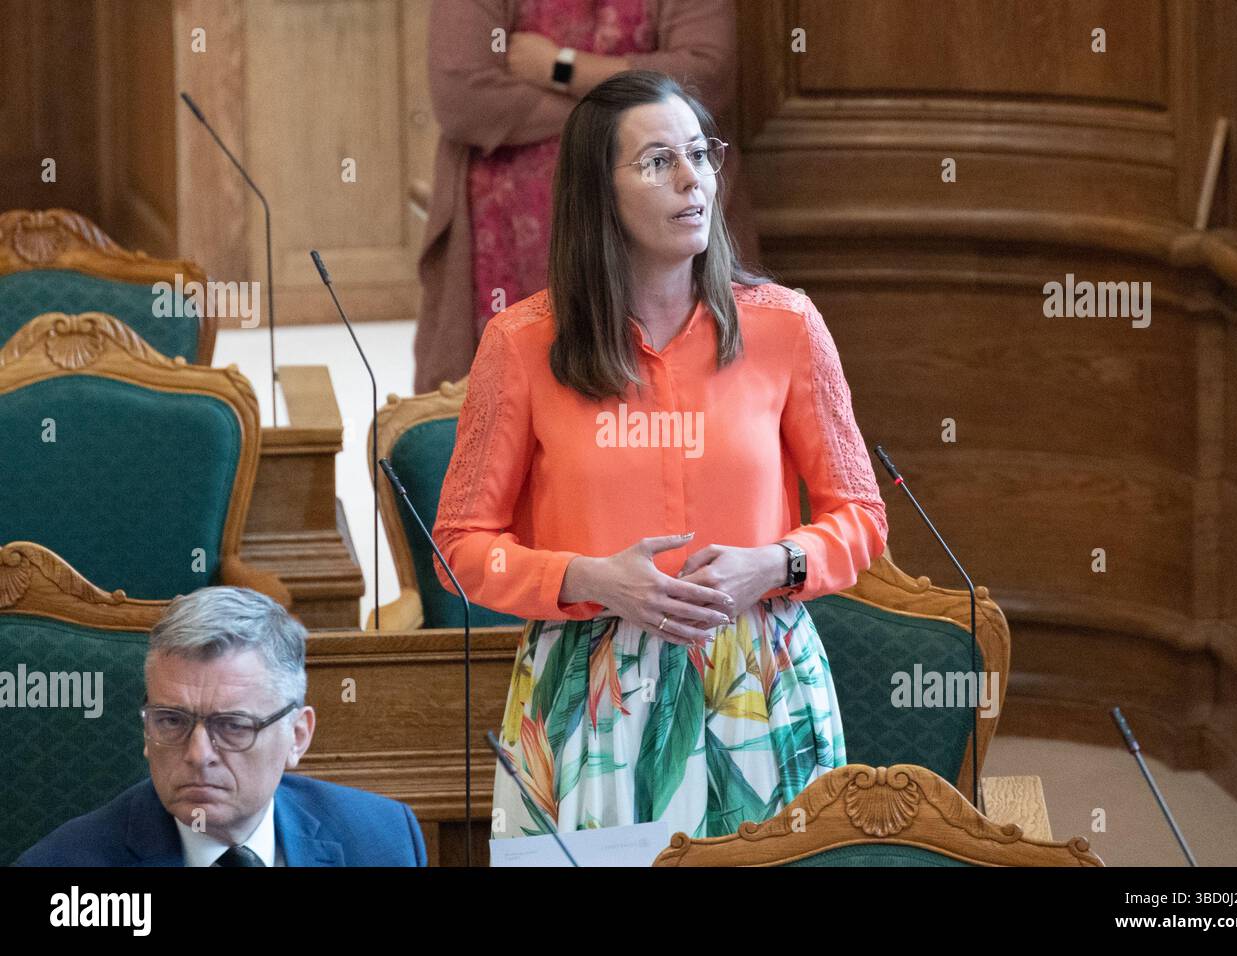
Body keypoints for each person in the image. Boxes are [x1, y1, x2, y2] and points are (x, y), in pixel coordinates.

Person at [431, 71, 889, 841]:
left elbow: (861, 519)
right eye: (657, 162)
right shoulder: (520, 345)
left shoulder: (787, 327)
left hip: (759, 683)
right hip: (589, 688)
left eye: (701, 154)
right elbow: (460, 547)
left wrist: (772, 563)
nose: (693, 180)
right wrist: (587, 577)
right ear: (597, 193)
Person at [414, 0, 760, 394]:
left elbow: (705, 77)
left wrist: (559, 67)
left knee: (674, 400)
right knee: (506, 398)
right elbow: (463, 97)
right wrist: (630, 116)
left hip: (663, 241)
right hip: (501, 238)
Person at [16, 587, 426, 866]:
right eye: (171, 721)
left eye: (232, 726)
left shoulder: (382, 841)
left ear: (297, 736)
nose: (198, 755)